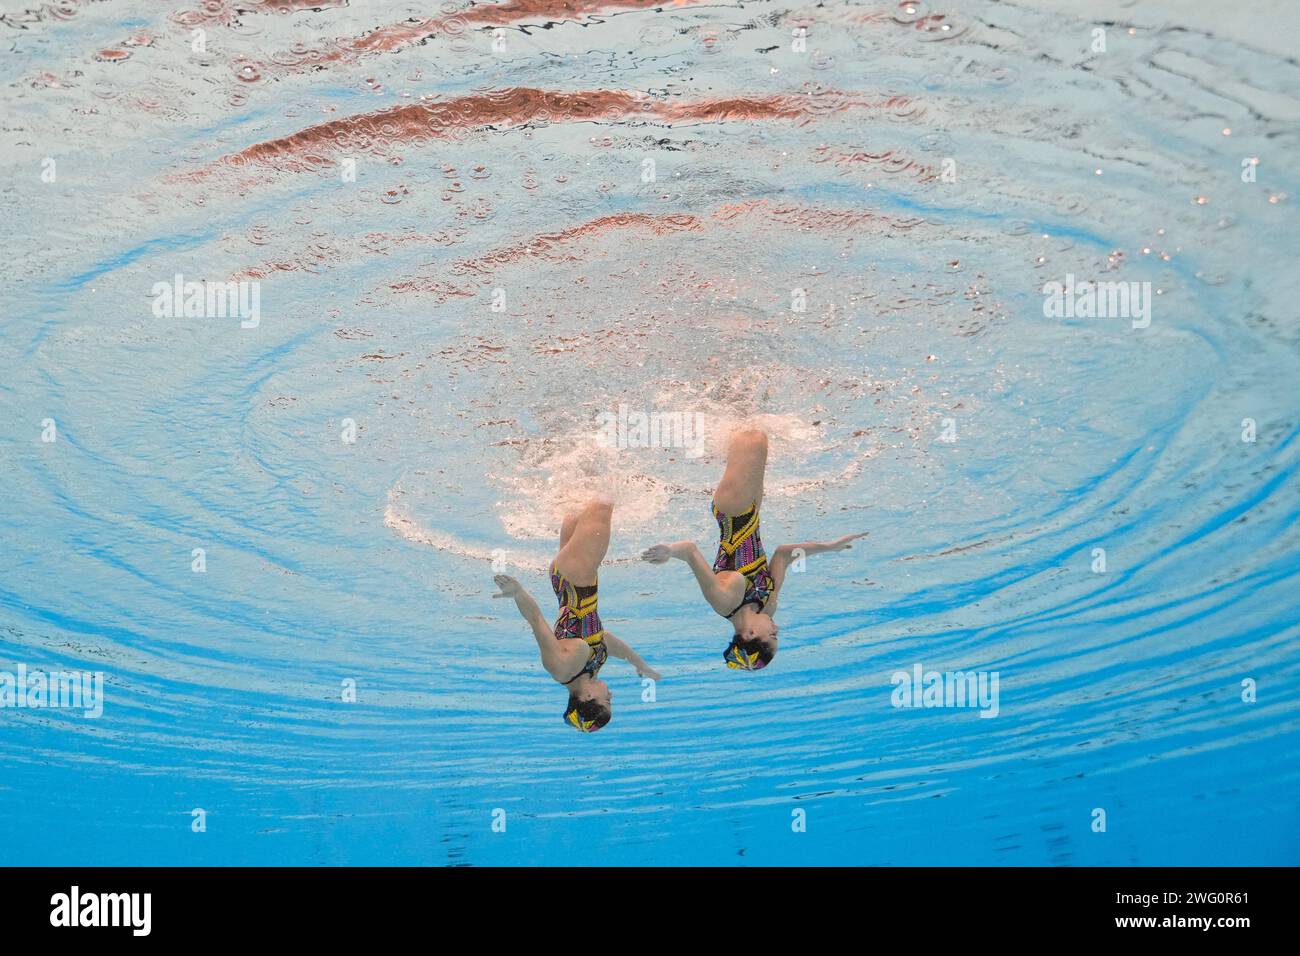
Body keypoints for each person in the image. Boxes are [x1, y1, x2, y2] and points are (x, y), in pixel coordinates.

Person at [642, 428, 865, 671]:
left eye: (773, 636)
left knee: (753, 435)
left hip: (732, 508)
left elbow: (689, 551)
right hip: (753, 509)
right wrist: (829, 547)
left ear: (749, 634)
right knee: (753, 434)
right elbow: (783, 554)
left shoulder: (724, 601)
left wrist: (669, 552)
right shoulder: (769, 604)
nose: (777, 629)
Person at [493, 498, 660, 732]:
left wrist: (518, 593)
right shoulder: (590, 671)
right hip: (578, 576)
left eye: (607, 700)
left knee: (604, 497)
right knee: (578, 495)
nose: (611, 693)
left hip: (574, 574)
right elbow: (606, 640)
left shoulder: (560, 668)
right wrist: (641, 665)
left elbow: (536, 621)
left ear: (588, 696)